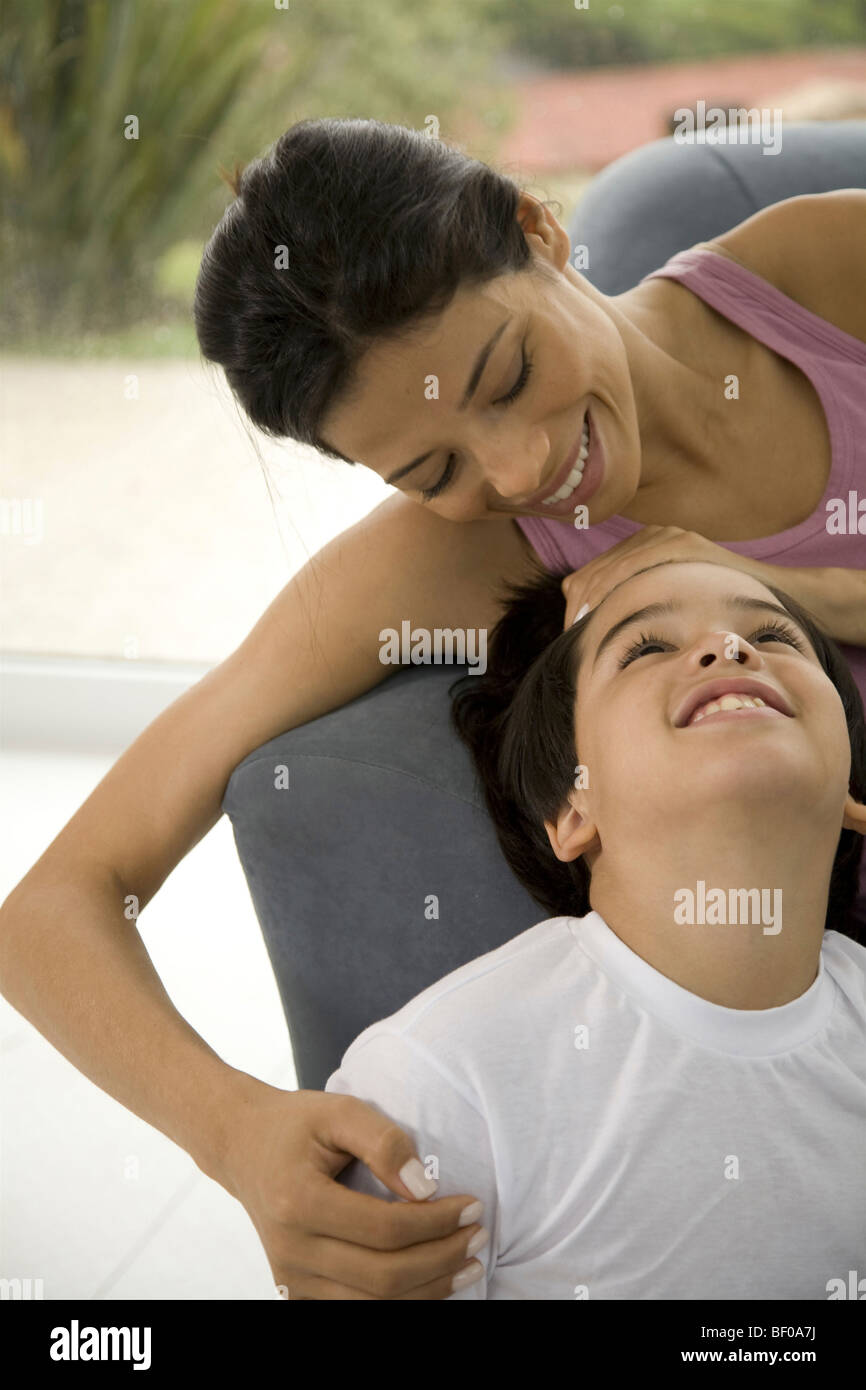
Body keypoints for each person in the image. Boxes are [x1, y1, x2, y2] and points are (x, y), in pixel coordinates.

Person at [0, 117, 864, 1300]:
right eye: (432, 470)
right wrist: (237, 1134)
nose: (514, 471)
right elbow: (52, 904)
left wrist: (769, 583)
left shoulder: (821, 279)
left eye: (504, 376)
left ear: (538, 229)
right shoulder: (435, 567)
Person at [327, 557, 866, 1298]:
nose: (728, 647)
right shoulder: (445, 1083)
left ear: (850, 795)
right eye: (646, 649)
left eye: (773, 636)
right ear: (572, 809)